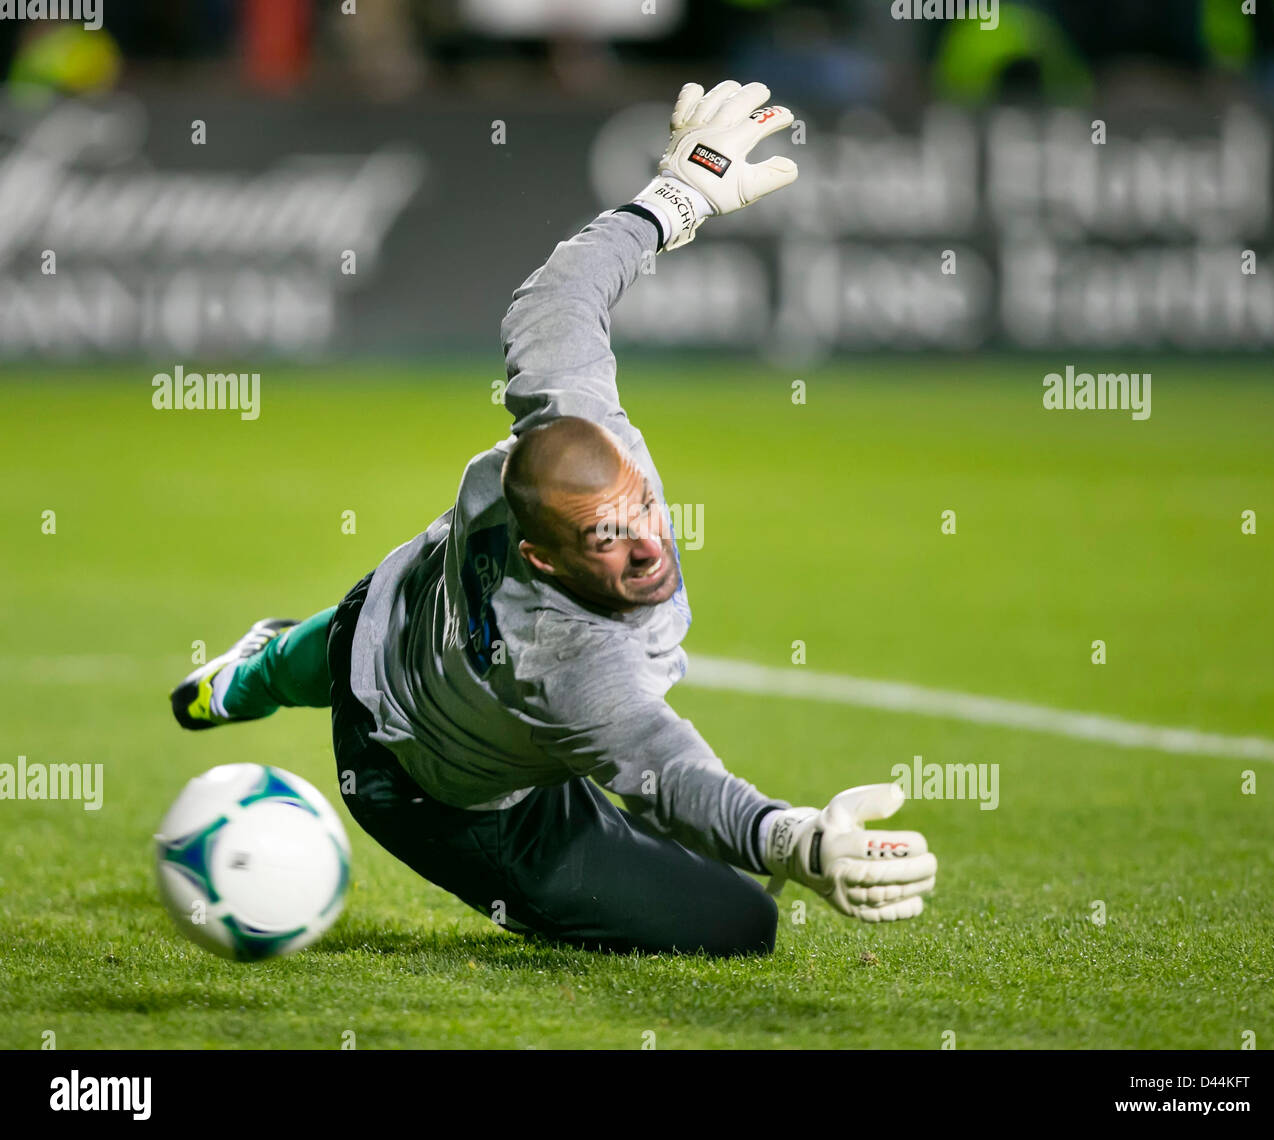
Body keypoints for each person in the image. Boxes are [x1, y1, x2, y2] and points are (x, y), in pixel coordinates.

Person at [170, 80, 938, 956]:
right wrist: (794, 842)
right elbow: (671, 775)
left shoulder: (572, 420)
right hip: (441, 791)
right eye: (604, 538)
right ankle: (287, 668)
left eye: (639, 507)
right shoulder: (571, 661)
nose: (645, 541)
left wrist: (677, 193)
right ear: (537, 556)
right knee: (741, 918)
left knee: (355, 635)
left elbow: (558, 297)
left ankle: (269, 664)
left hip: (381, 618)